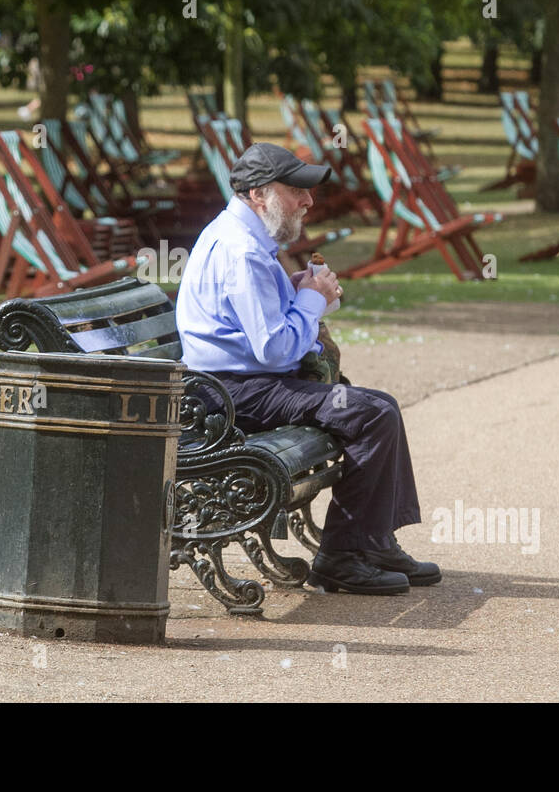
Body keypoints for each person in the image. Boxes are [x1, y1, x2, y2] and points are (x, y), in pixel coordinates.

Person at [175, 142, 439, 595]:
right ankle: (341, 557)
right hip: (233, 393)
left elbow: (263, 329)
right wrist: (313, 300)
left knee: (377, 405)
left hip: (236, 384)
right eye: (296, 189)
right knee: (371, 414)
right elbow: (274, 350)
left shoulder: (243, 238)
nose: (308, 201)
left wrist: (299, 291)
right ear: (259, 195)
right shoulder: (243, 252)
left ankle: (371, 542)